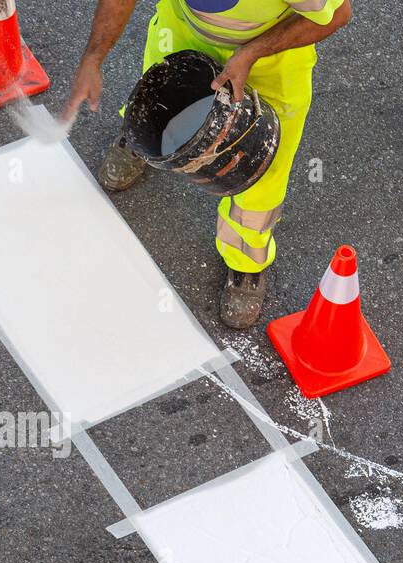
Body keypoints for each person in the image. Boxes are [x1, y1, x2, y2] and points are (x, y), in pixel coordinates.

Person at [63, 0, 352, 330]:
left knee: (261, 167)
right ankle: (142, 140)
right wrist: (93, 57)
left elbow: (338, 15)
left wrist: (251, 53)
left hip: (271, 58)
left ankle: (245, 257)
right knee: (161, 91)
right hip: (186, 27)